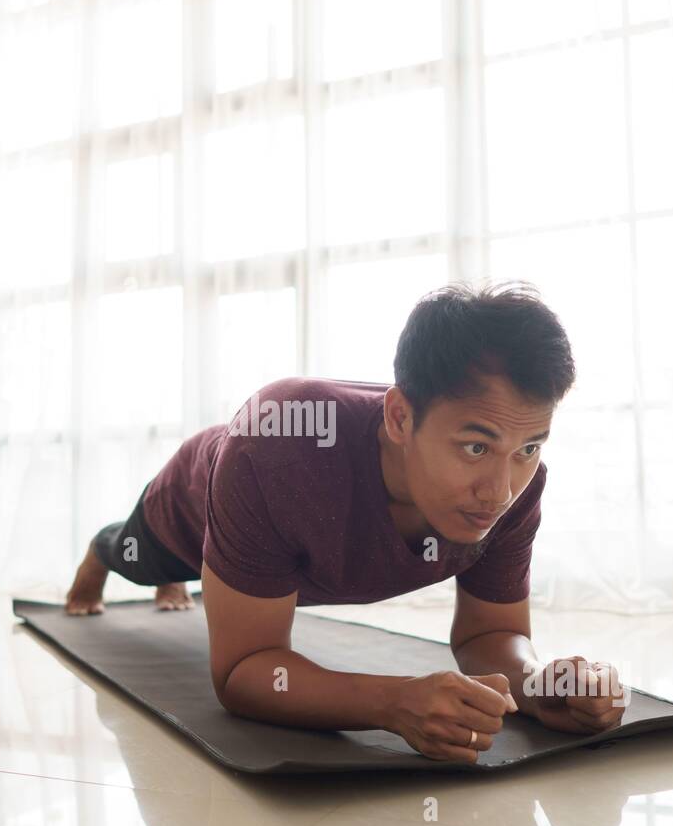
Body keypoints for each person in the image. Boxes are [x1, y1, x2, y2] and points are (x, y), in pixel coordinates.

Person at [66, 281, 625, 762]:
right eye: (476, 448)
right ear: (401, 418)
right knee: (138, 558)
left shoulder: (517, 484)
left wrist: (539, 682)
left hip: (269, 532)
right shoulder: (274, 441)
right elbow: (242, 672)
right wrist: (391, 702)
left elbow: (490, 633)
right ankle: (101, 556)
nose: (501, 491)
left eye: (528, 447)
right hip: (192, 502)